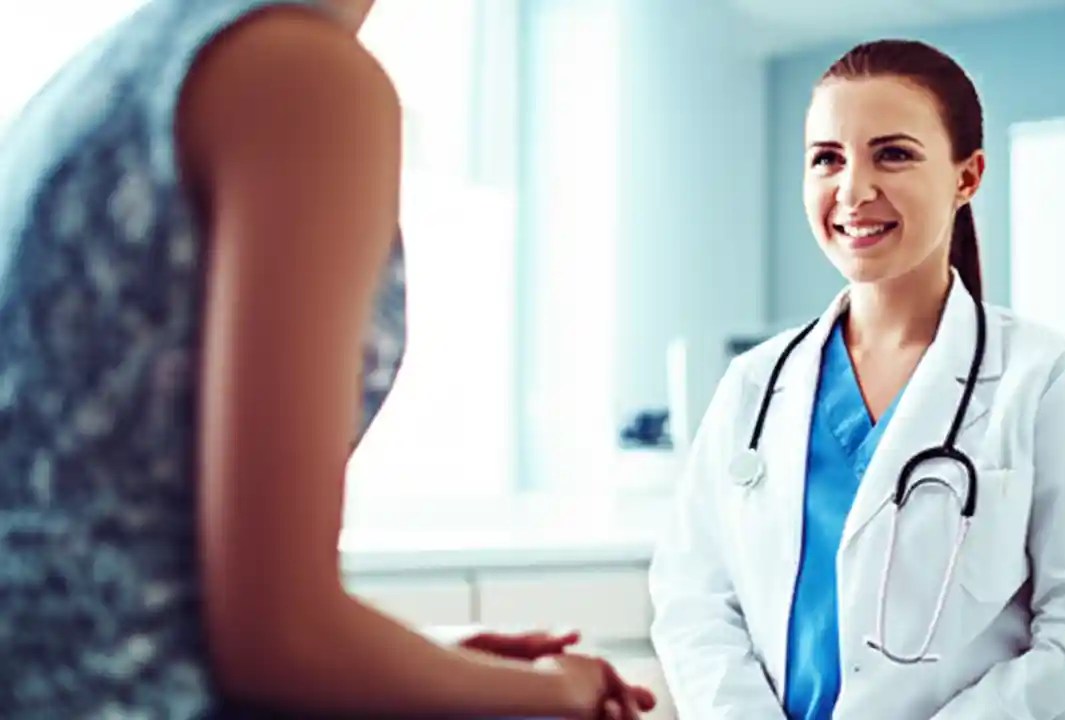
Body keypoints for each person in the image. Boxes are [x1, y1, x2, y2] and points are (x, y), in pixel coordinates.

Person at [0, 0, 654, 717]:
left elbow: (133, 589)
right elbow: (285, 641)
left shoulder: (109, 78)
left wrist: (419, 663)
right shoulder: (300, 76)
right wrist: (558, 693)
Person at [648, 39, 1065, 719]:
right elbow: (694, 598)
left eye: (894, 154)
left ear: (967, 177)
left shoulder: (1046, 380)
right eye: (828, 158)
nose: (853, 190)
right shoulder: (754, 385)